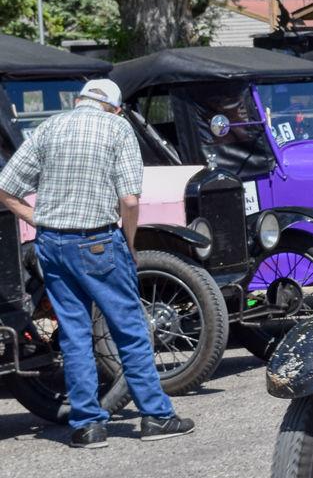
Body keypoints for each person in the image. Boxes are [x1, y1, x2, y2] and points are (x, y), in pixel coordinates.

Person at [0, 78, 193, 449]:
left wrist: (36, 217)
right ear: (116, 108)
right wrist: (130, 243)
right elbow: (131, 201)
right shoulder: (118, 128)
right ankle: (156, 416)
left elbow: (6, 185)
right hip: (98, 242)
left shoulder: (50, 125)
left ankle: (88, 425)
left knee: (74, 334)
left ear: (78, 100)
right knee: (130, 331)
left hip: (52, 243)